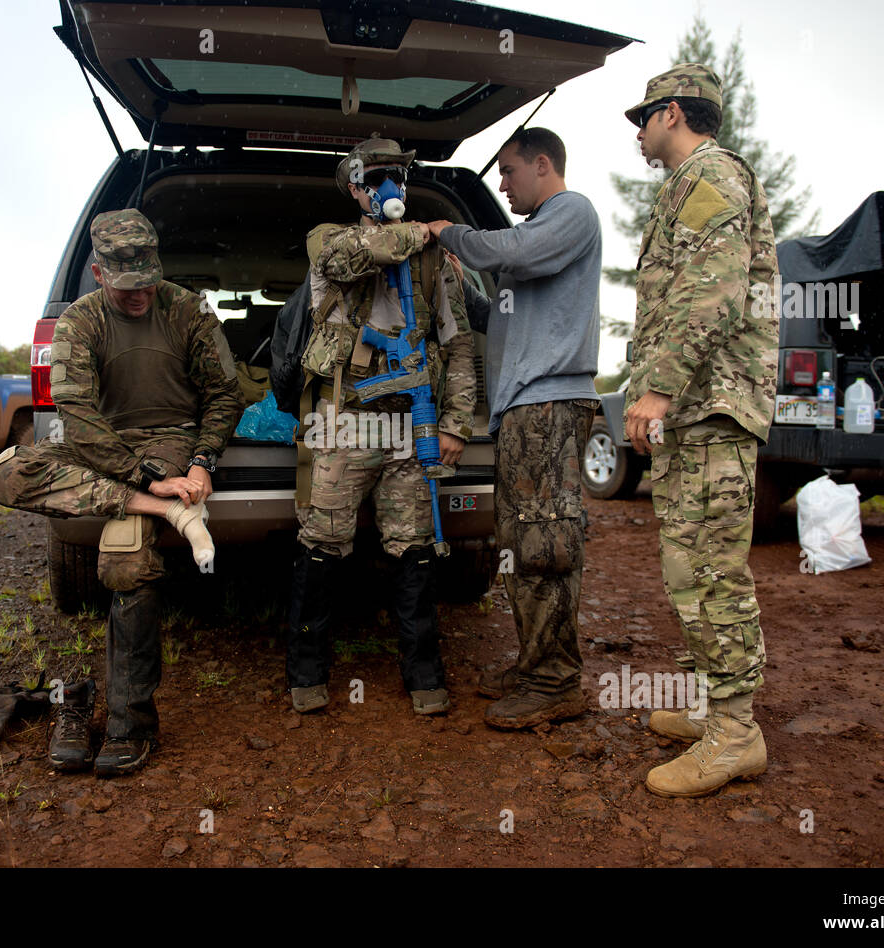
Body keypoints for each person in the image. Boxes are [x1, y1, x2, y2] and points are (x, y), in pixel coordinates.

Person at [0, 209, 245, 775]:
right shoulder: (79, 321)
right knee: (7, 471)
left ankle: (130, 723)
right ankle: (163, 510)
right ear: (100, 275)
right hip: (105, 447)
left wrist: (202, 461)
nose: (139, 295)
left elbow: (223, 395)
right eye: (125, 285)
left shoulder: (188, 309)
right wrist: (145, 481)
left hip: (170, 441)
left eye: (147, 280)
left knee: (125, 562)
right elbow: (77, 417)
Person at [622, 64, 779, 797]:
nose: (639, 131)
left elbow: (712, 291)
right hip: (696, 408)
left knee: (711, 571)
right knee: (688, 565)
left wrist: (655, 388)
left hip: (711, 405)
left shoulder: (710, 175)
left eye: (644, 117)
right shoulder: (686, 184)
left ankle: (735, 735)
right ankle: (713, 705)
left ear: (674, 113)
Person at [287, 136, 475, 717]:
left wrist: (456, 424)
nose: (390, 187)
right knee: (322, 547)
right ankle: (306, 674)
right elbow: (349, 259)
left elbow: (460, 346)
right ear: (354, 186)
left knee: (414, 549)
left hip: (409, 427)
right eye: (377, 178)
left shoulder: (434, 263)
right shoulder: (330, 240)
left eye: (399, 175)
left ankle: (424, 676)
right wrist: (428, 230)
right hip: (344, 422)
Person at [426, 127, 602, 730]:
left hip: (550, 405)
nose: (502, 183)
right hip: (524, 412)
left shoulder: (569, 213)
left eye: (508, 171)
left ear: (543, 163)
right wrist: (455, 275)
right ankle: (535, 666)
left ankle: (555, 682)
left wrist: (447, 232)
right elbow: (495, 316)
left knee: (544, 547)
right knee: (520, 546)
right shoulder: (532, 244)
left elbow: (514, 253)